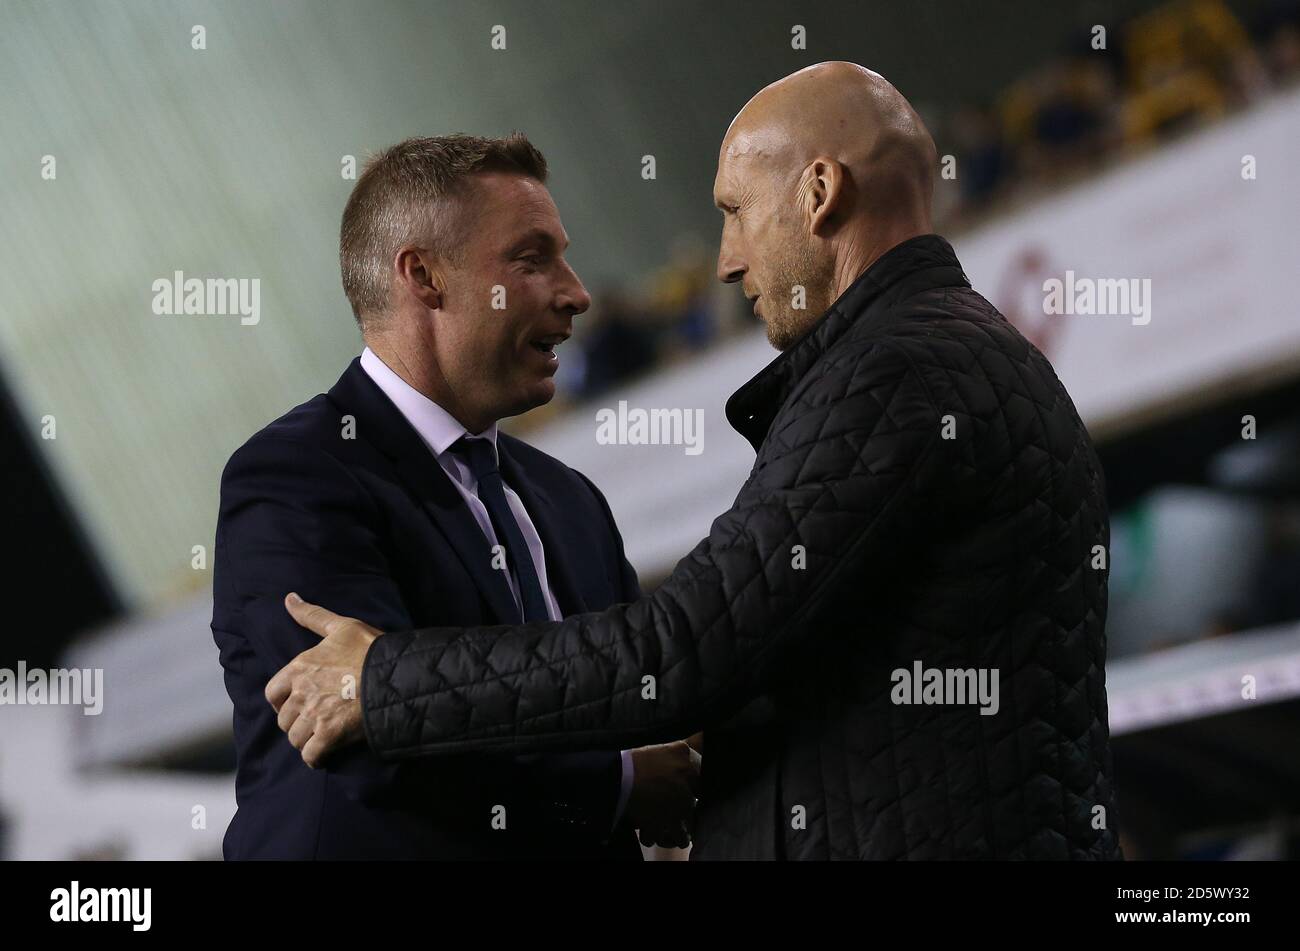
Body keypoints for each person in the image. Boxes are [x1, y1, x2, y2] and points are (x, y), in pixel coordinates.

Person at [269, 64, 1122, 860]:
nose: (726, 261)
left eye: (735, 211)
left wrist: (383, 680)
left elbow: (682, 650)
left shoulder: (895, 371)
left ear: (820, 193)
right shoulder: (946, 352)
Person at [213, 134, 698, 860]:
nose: (577, 292)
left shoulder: (570, 500)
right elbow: (366, 739)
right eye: (532, 260)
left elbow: (644, 697)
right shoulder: (293, 478)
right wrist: (618, 782)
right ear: (424, 276)